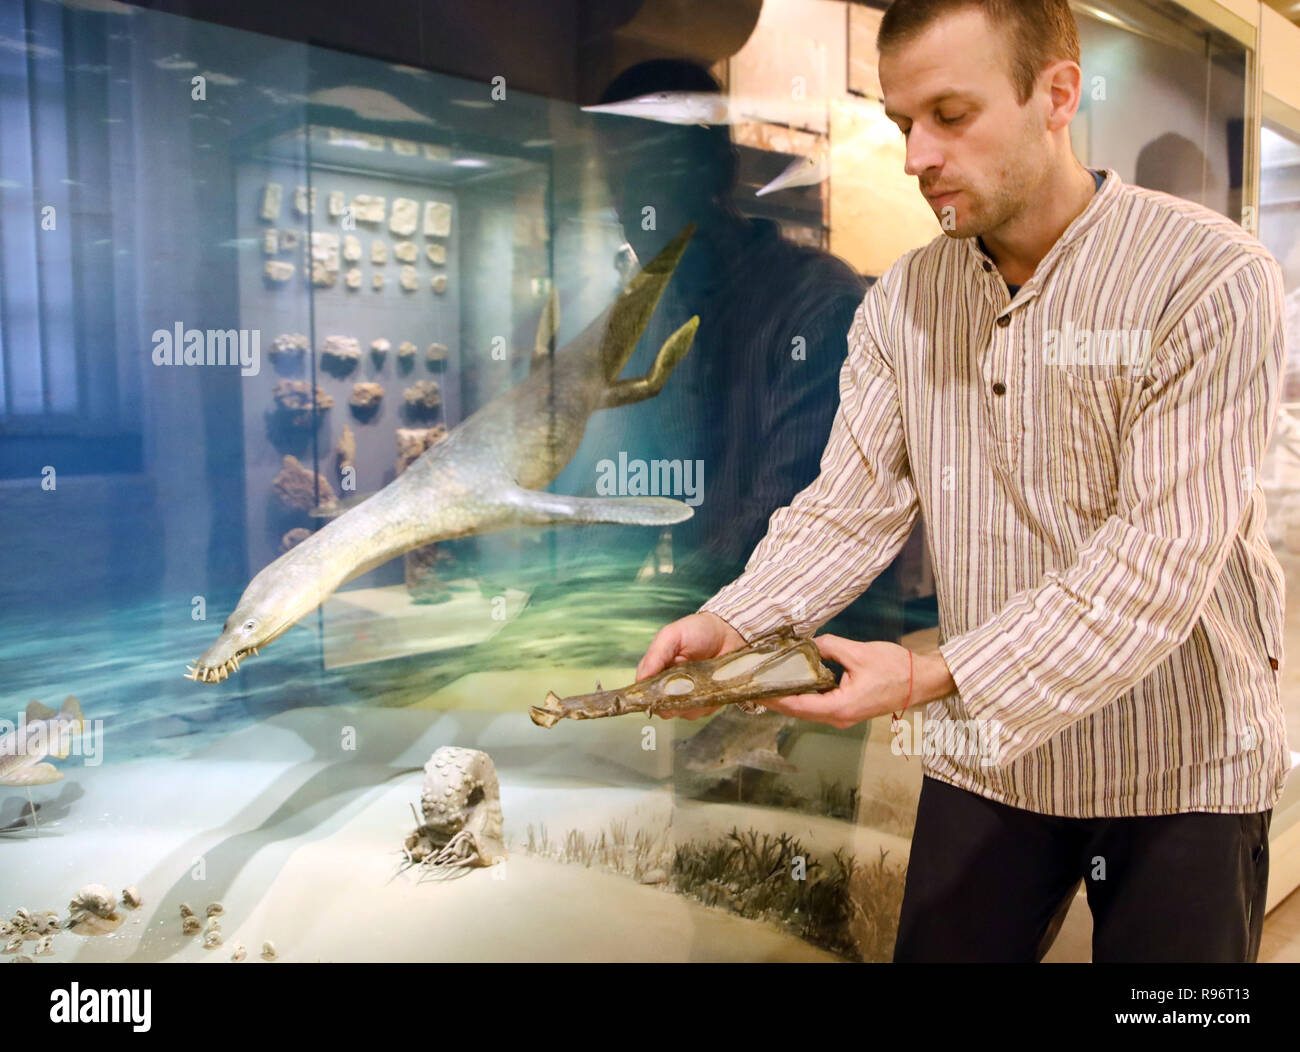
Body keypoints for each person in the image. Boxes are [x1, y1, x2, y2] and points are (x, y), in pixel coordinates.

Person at [637, 0, 1288, 964]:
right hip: (992, 754)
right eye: (904, 121)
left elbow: (1159, 557)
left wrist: (932, 674)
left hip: (1179, 758)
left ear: (1057, 94)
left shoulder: (1208, 276)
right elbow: (849, 506)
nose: (915, 155)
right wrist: (735, 621)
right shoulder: (909, 297)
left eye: (951, 113)